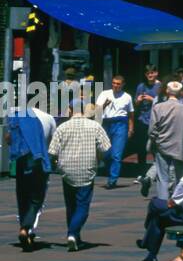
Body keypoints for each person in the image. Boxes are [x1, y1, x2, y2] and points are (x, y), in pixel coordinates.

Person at [47, 103, 112, 251]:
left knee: (70, 205)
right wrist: (99, 157)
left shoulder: (62, 127)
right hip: (86, 169)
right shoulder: (95, 126)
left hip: (67, 171)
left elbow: (52, 151)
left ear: (70, 110)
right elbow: (106, 149)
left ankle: (76, 236)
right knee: (83, 205)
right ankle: (73, 233)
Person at [135, 145, 183, 261]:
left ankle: (150, 251)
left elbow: (171, 203)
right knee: (158, 212)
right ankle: (148, 248)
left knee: (155, 208)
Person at [6, 99, 56, 251]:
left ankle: (24, 228)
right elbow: (52, 144)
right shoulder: (48, 118)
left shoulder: (18, 116)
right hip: (39, 161)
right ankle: (27, 228)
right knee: (37, 198)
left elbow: (9, 139)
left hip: (21, 161)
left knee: (22, 195)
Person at [147, 82, 183, 200]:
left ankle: (163, 203)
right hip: (180, 147)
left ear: (167, 92)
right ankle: (179, 201)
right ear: (180, 93)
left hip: (162, 146)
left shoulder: (158, 107)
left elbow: (152, 130)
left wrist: (155, 140)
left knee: (162, 178)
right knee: (180, 177)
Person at [95, 74, 134, 188]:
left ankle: (112, 180)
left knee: (117, 154)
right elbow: (97, 111)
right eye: (114, 83)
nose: (115, 86)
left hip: (120, 123)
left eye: (118, 84)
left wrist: (131, 128)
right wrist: (104, 105)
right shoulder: (104, 94)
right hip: (107, 123)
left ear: (122, 85)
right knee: (106, 153)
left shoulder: (127, 96)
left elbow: (131, 114)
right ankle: (109, 170)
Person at [127, 67, 160, 168]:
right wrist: (138, 100)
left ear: (156, 73)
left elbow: (163, 103)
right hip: (142, 119)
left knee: (155, 146)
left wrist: (152, 99)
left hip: (155, 120)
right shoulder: (141, 86)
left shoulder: (160, 86)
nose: (150, 75)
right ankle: (141, 169)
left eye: (152, 73)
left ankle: (156, 170)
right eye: (147, 73)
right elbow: (135, 104)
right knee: (141, 146)